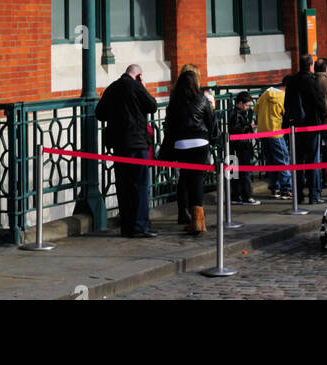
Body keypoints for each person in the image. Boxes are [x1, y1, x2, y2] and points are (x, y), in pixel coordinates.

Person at [94, 63, 158, 238]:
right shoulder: (137, 87)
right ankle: (140, 226)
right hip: (137, 144)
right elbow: (152, 106)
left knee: (123, 186)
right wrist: (144, 88)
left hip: (119, 144)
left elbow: (99, 113)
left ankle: (127, 226)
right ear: (138, 76)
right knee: (140, 186)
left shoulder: (113, 87)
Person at [160, 64, 218, 235]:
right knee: (198, 180)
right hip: (200, 144)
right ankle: (198, 221)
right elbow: (212, 123)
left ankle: (186, 215)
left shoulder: (174, 102)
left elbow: (169, 126)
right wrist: (213, 139)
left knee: (185, 177)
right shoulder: (202, 99)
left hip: (181, 145)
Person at [282, 54, 325, 205]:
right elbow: (320, 103)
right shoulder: (312, 81)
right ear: (311, 65)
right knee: (313, 161)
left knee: (298, 162)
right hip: (311, 125)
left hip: (296, 127)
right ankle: (314, 195)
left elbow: (287, 104)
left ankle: (298, 195)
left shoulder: (292, 81)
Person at [256, 80, 291, 198]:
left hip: (262, 131)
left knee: (270, 160)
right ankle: (286, 189)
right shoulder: (284, 97)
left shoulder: (264, 94)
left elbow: (256, 109)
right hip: (276, 131)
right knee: (283, 159)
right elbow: (286, 113)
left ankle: (274, 188)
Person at [229, 92, 260, 205]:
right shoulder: (237, 115)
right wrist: (249, 126)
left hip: (236, 146)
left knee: (235, 173)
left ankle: (236, 196)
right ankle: (246, 196)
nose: (247, 107)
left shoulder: (236, 113)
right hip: (241, 146)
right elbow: (236, 129)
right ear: (240, 104)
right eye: (247, 105)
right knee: (244, 172)